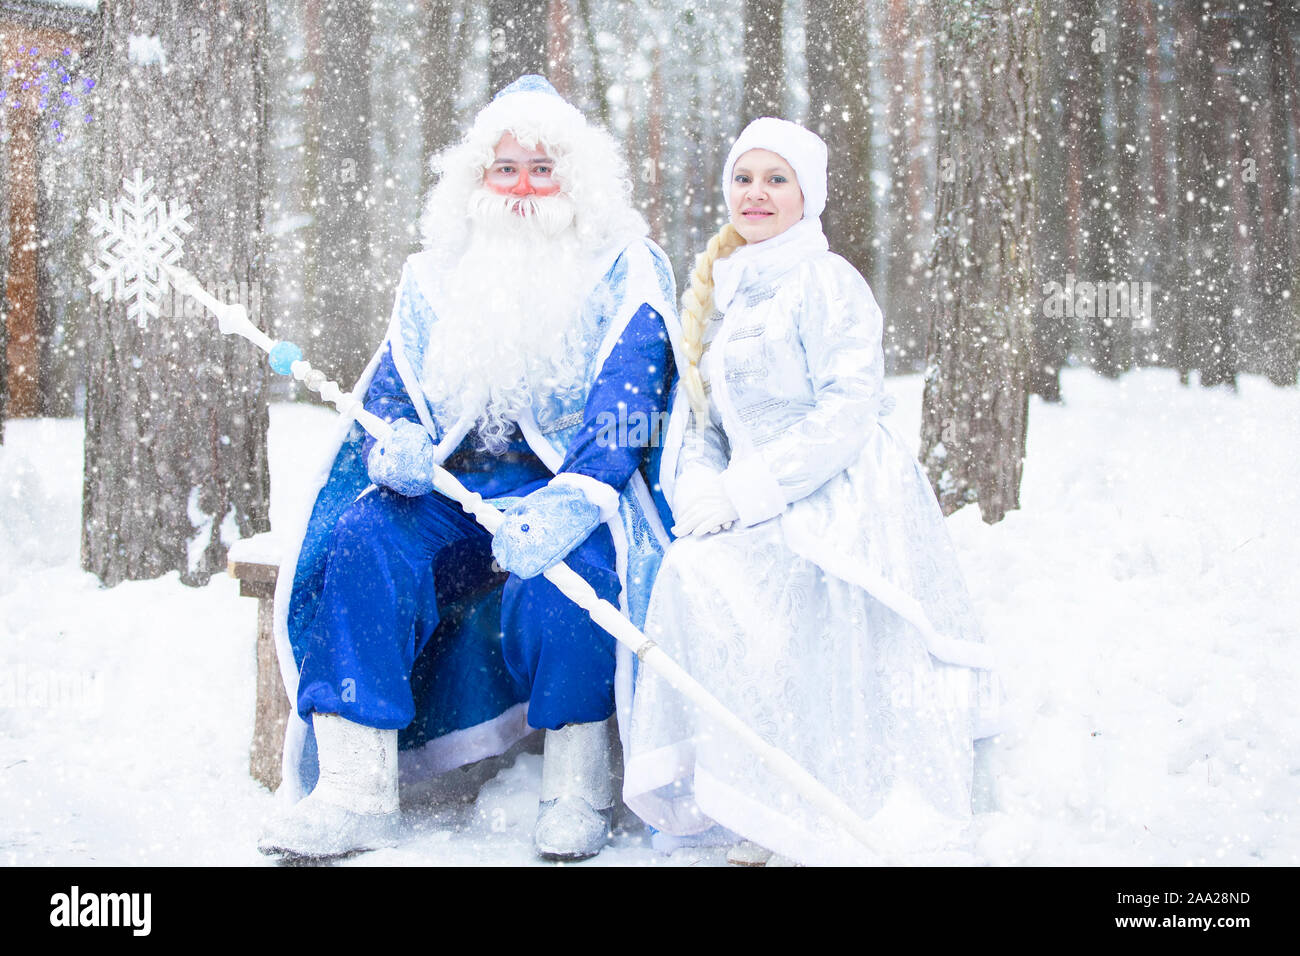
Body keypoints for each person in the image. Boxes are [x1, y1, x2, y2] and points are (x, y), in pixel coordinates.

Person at [258, 75, 679, 861]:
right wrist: (398, 446)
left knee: (575, 577)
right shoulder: (433, 275)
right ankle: (353, 789)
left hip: (566, 485)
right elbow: (396, 391)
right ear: (475, 179)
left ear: (576, 179)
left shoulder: (624, 268)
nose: (522, 187)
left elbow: (632, 399)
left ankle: (575, 786)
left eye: (542, 169)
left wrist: (573, 500)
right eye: (505, 168)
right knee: (366, 537)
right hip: (457, 488)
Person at [622, 118, 1002, 866]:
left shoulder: (826, 281)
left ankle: (837, 799)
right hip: (760, 494)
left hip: (841, 493)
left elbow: (847, 411)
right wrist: (706, 486)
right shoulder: (731, 292)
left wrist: (751, 492)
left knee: (799, 608)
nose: (755, 194)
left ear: (808, 195)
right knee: (697, 576)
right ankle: (762, 794)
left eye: (776, 179)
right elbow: (706, 421)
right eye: (743, 177)